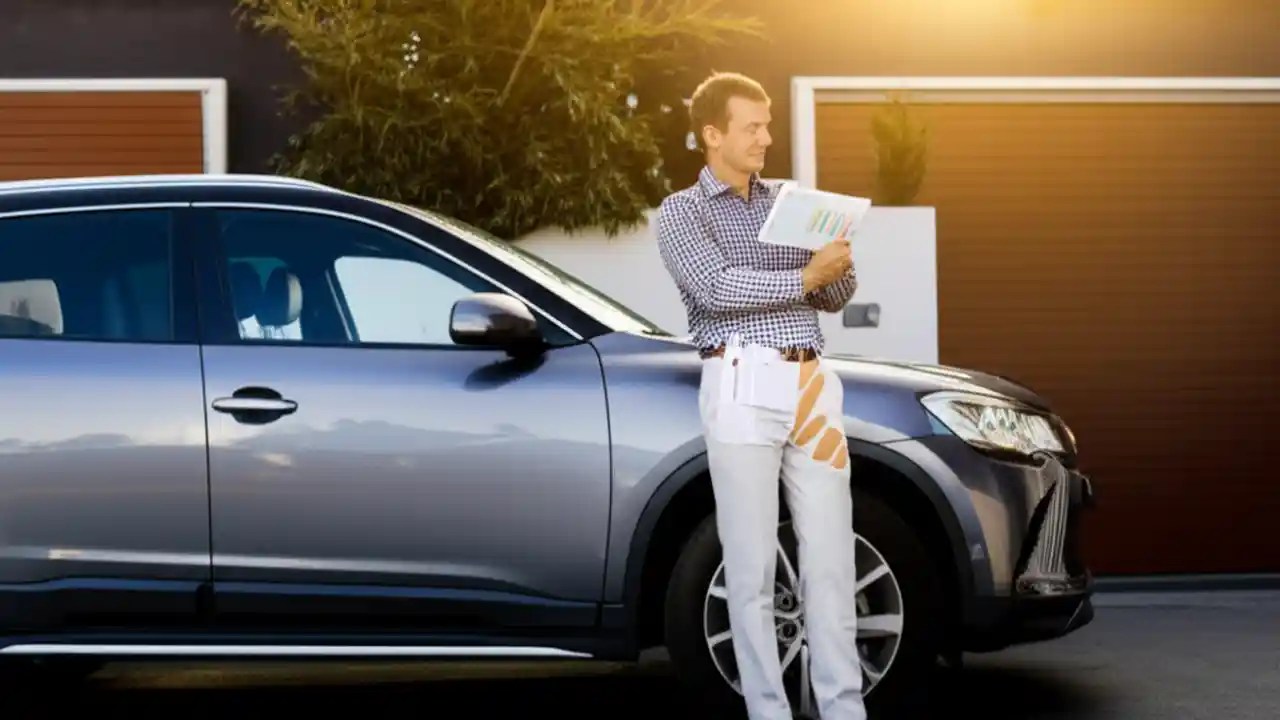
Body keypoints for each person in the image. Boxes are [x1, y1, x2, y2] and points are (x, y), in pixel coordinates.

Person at [655, 71, 866, 720]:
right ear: (711, 135)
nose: (766, 138)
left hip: (811, 384)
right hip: (741, 381)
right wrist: (806, 274)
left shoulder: (790, 204)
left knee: (830, 562)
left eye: (768, 125)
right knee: (751, 574)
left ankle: (843, 710)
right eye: (753, 126)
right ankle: (768, 714)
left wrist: (835, 268)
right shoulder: (680, 213)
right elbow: (716, 289)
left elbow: (833, 296)